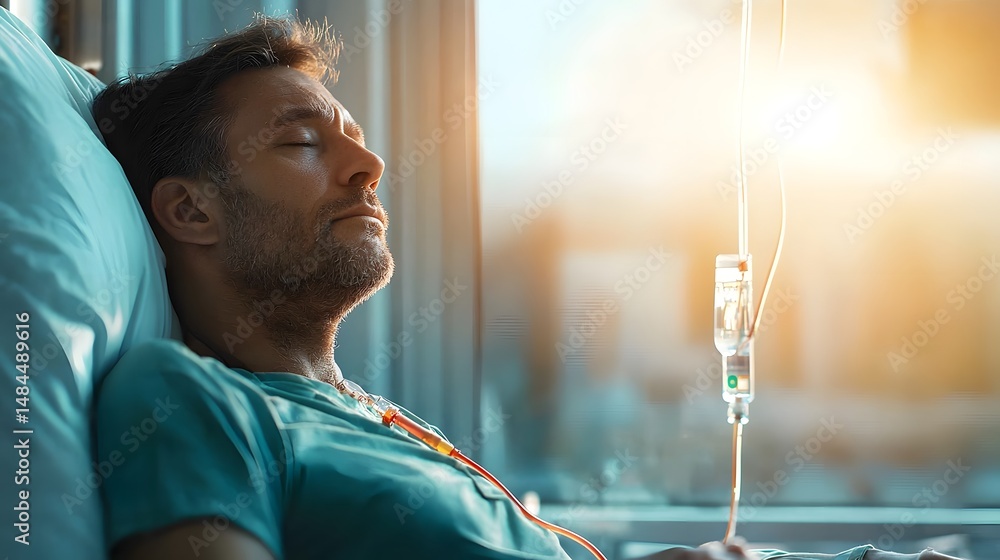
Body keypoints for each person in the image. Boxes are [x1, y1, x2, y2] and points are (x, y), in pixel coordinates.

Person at [91, 15, 964, 560]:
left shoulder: (378, 423)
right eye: (301, 142)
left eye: (355, 136)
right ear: (190, 211)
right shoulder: (183, 402)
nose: (369, 165)